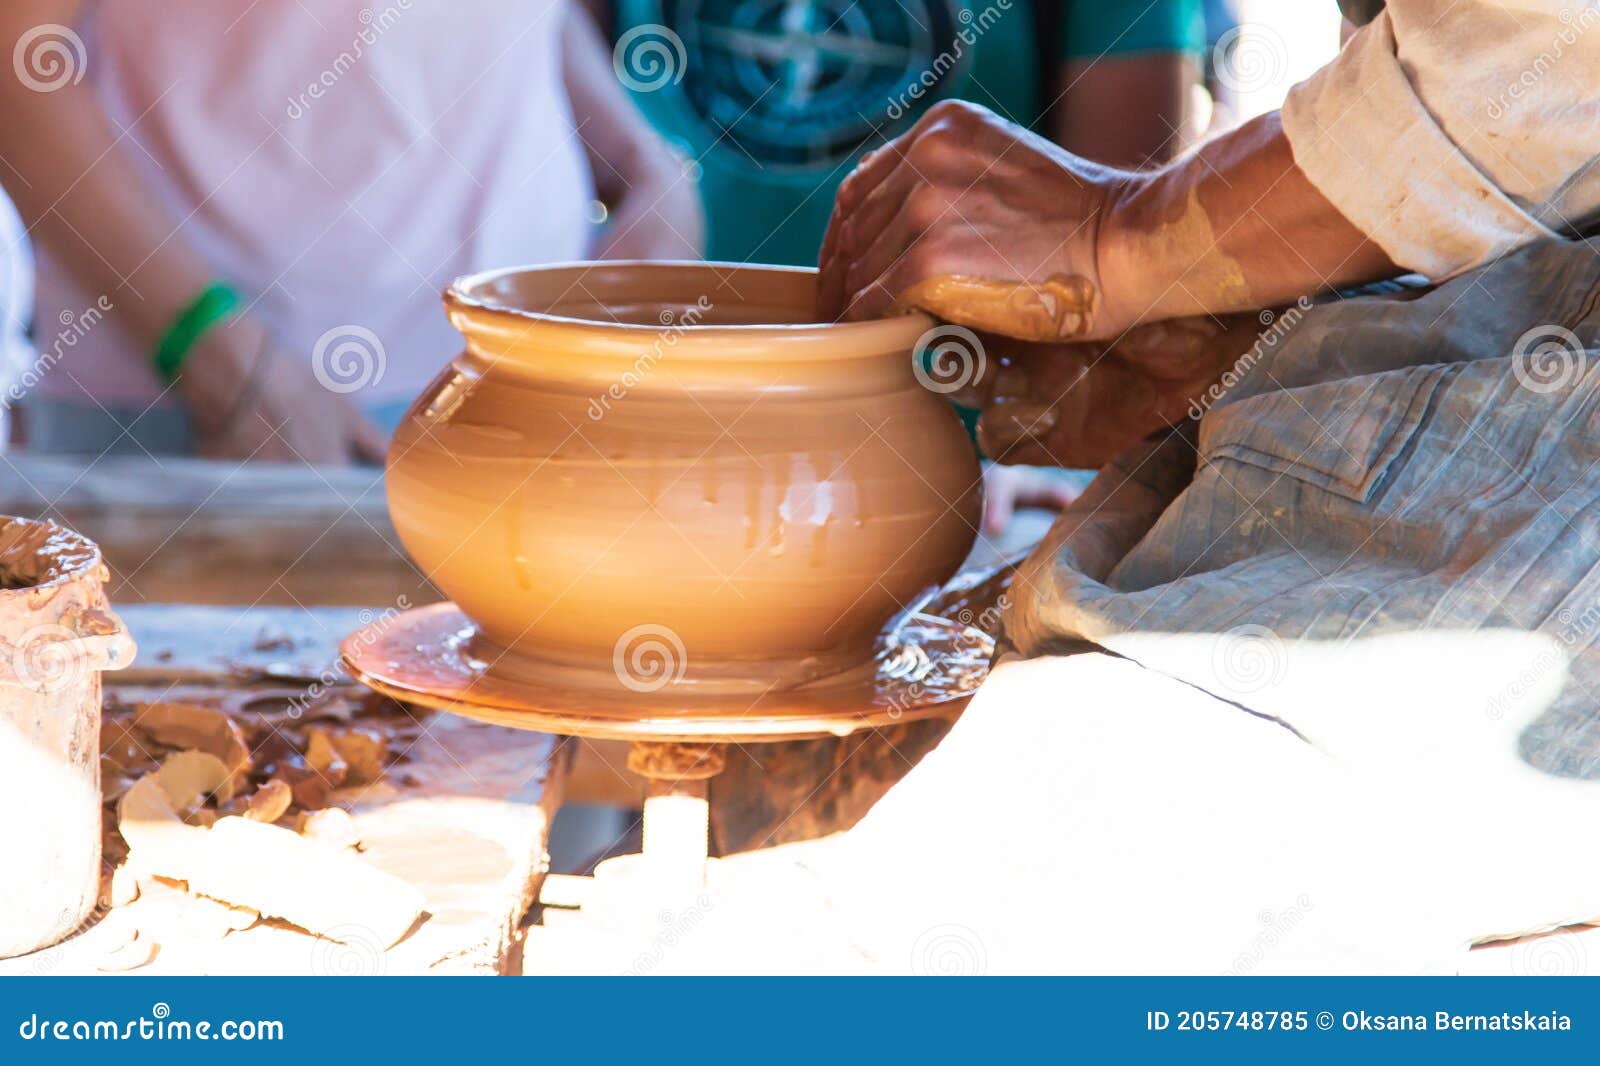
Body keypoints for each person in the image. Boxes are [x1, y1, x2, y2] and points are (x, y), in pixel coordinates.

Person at [0, 0, 702, 463]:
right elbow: (18, 55)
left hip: (530, 394)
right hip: (207, 412)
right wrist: (222, 362)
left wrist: (640, 160)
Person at [611, 0, 1205, 532]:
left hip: (961, 478)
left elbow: (1134, 259)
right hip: (640, 443)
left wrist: (1041, 445)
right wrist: (640, 168)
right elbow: (551, 40)